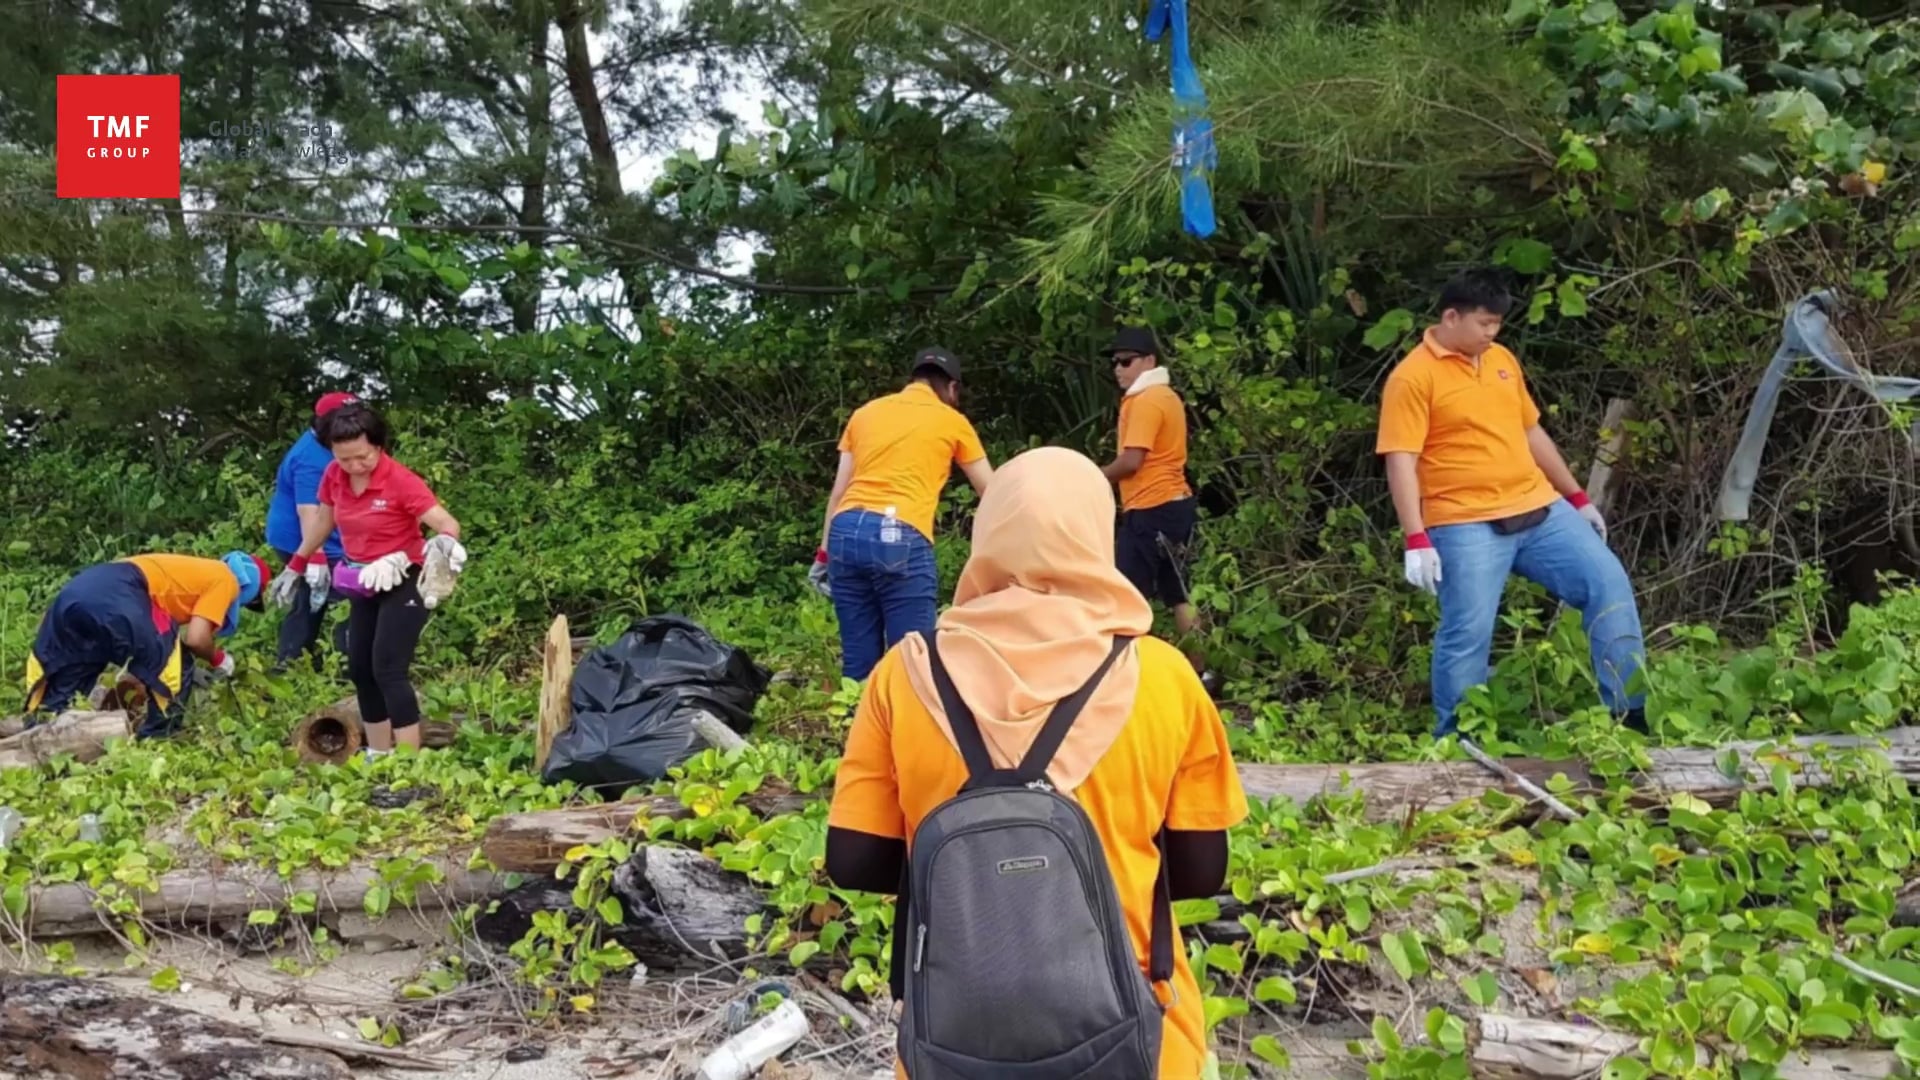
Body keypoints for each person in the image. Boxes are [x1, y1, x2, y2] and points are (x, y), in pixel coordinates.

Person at [824, 446, 1248, 1079]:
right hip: (1140, 1034)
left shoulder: (906, 674)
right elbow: (1200, 872)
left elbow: (853, 861)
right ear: (1095, 535)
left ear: (987, 534)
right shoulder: (1161, 674)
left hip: (954, 1038)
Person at [1376, 268, 1648, 738]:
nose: (1492, 333)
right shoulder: (1412, 379)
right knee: (1468, 631)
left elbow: (1529, 431)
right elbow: (1401, 460)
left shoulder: (1501, 360)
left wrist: (1577, 497)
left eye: (1498, 324)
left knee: (1609, 584)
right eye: (1484, 323)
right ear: (1451, 316)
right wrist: (1415, 536)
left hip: (1538, 508)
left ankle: (1631, 717)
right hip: (1463, 520)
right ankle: (1460, 739)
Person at [280, 402, 466, 755]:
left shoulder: (401, 481)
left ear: (378, 446)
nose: (354, 466)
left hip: (404, 576)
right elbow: (323, 521)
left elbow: (446, 523)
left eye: (362, 457)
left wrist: (443, 548)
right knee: (360, 667)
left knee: (388, 667)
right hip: (364, 579)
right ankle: (379, 753)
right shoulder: (334, 476)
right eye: (344, 458)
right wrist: (297, 563)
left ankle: (409, 759)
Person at [814, 347, 993, 682]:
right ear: (952, 387)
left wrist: (824, 554)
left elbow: (839, 491)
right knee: (912, 657)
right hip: (897, 531)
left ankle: (857, 725)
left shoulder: (866, 413)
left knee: (858, 661)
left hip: (845, 530)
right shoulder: (952, 421)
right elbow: (991, 490)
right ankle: (906, 729)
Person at [25, 551, 268, 739]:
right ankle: (157, 739)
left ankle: (43, 728)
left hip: (76, 592)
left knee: (84, 657)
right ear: (251, 589)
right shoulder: (225, 579)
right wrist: (218, 659)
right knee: (176, 663)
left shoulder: (191, 569)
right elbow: (196, 638)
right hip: (120, 594)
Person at [1100, 326, 1211, 687]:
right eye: (1114, 362)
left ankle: (1124, 678)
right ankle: (1201, 674)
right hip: (1177, 506)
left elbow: (1132, 461)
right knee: (1179, 593)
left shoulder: (1146, 399)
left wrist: (1089, 475)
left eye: (1126, 361)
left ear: (1149, 361)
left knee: (1127, 593)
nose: (1119, 368)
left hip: (1151, 507)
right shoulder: (1167, 396)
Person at [265, 391, 356, 671]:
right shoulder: (310, 460)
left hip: (320, 535)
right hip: (302, 538)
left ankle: (291, 660)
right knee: (352, 595)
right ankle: (347, 664)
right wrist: (313, 558)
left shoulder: (333, 445)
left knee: (309, 597)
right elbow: (309, 513)